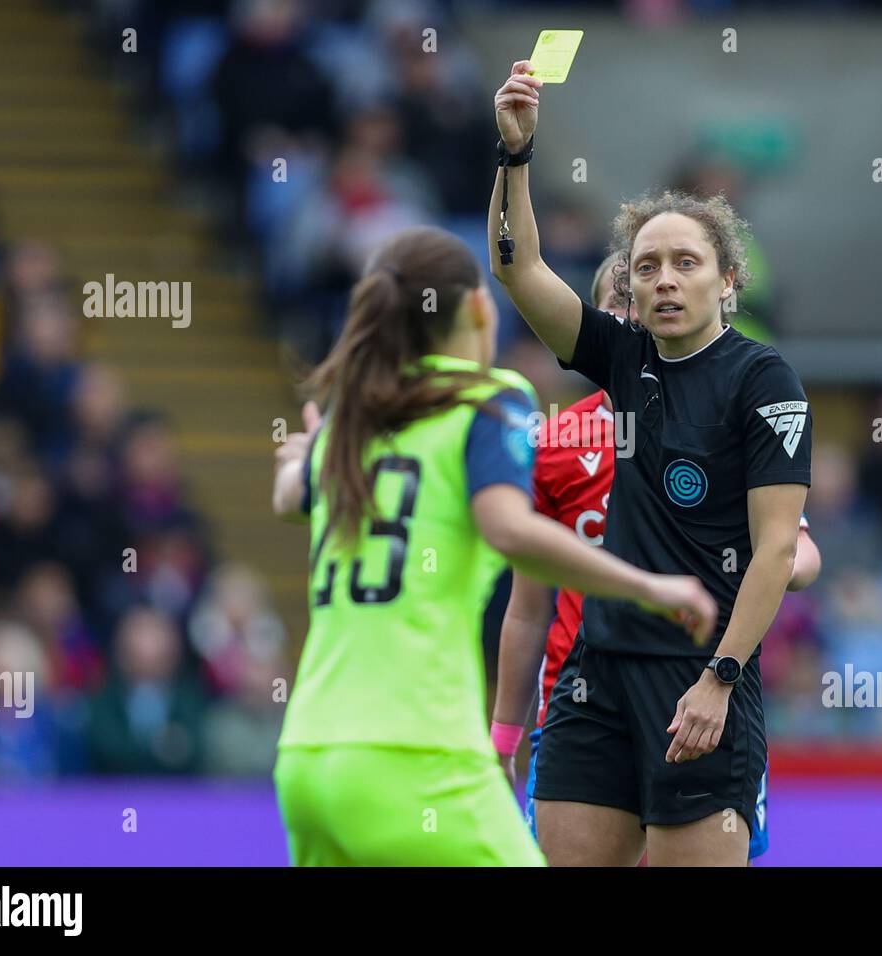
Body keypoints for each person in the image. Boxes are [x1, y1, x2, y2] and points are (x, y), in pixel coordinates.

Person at [270, 225, 716, 866]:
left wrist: (307, 457)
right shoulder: (490, 403)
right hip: (416, 756)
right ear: (480, 309)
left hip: (307, 757)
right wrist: (647, 585)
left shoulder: (352, 422)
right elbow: (509, 530)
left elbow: (289, 495)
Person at [488, 63, 813, 866]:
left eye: (686, 263)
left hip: (698, 675)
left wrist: (721, 677)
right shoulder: (622, 359)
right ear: (628, 289)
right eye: (646, 267)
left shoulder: (762, 378)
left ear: (728, 280)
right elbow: (514, 267)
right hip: (593, 681)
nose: (664, 280)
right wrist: (514, 152)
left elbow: (775, 550)